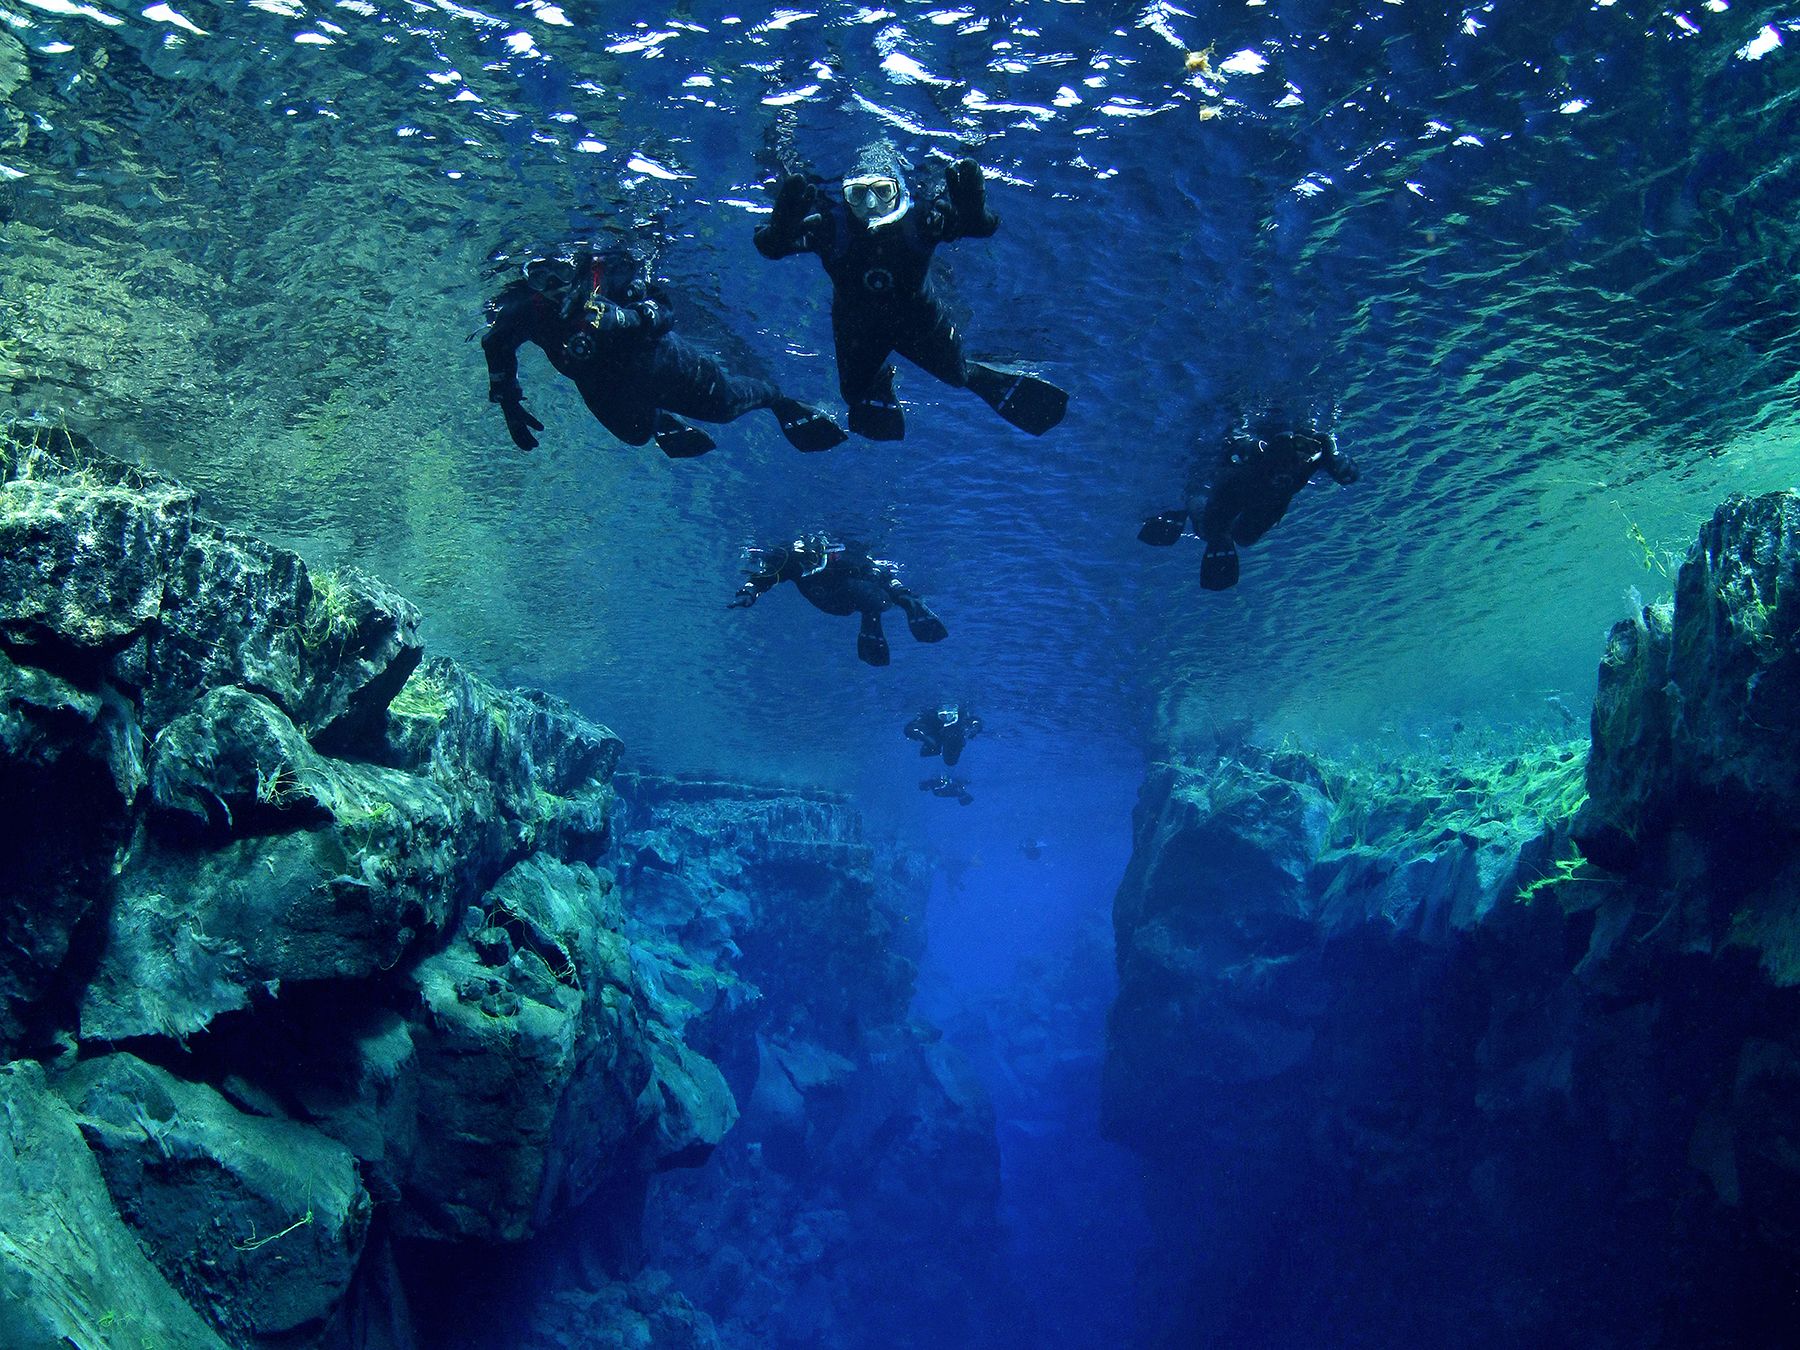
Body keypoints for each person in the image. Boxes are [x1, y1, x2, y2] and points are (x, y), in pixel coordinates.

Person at [752, 141, 1068, 442]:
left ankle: (976, 375)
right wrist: (780, 229)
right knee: (853, 394)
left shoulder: (920, 219)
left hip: (917, 320)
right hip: (860, 326)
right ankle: (881, 381)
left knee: (957, 374)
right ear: (845, 195)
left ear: (899, 191)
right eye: (858, 194)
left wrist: (973, 212)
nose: (871, 205)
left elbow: (979, 226)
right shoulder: (829, 225)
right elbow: (771, 245)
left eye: (882, 192)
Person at [482, 246, 845, 458]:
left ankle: (779, 402)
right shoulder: (525, 310)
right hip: (600, 384)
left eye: (559, 272)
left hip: (660, 365)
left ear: (577, 265)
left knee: (725, 408)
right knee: (635, 436)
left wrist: (624, 317)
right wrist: (510, 403)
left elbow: (666, 312)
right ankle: (659, 419)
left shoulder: (615, 272)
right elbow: (495, 344)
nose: (551, 287)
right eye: (539, 276)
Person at [1138, 427, 1359, 589]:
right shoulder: (1258, 453)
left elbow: (1335, 456)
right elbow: (1237, 447)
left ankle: (1193, 508)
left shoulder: (1312, 458)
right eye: (1298, 449)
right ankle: (1186, 506)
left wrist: (1333, 456)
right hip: (1231, 492)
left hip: (1263, 502)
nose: (1301, 457)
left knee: (1244, 537)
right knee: (1214, 529)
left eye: (1306, 451)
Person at [728, 533, 948, 666]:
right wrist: (748, 593)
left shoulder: (843, 558)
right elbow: (766, 577)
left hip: (849, 596)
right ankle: (877, 611)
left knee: (869, 591)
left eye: (814, 561)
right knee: (867, 595)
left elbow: (880, 574)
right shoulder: (791, 560)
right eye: (806, 562)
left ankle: (894, 608)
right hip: (833, 603)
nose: (809, 567)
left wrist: (903, 596)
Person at [904, 704, 982, 768]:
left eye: (950, 750)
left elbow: (909, 729)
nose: (952, 745)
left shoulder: (935, 734)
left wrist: (929, 740)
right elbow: (976, 722)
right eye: (955, 749)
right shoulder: (964, 730)